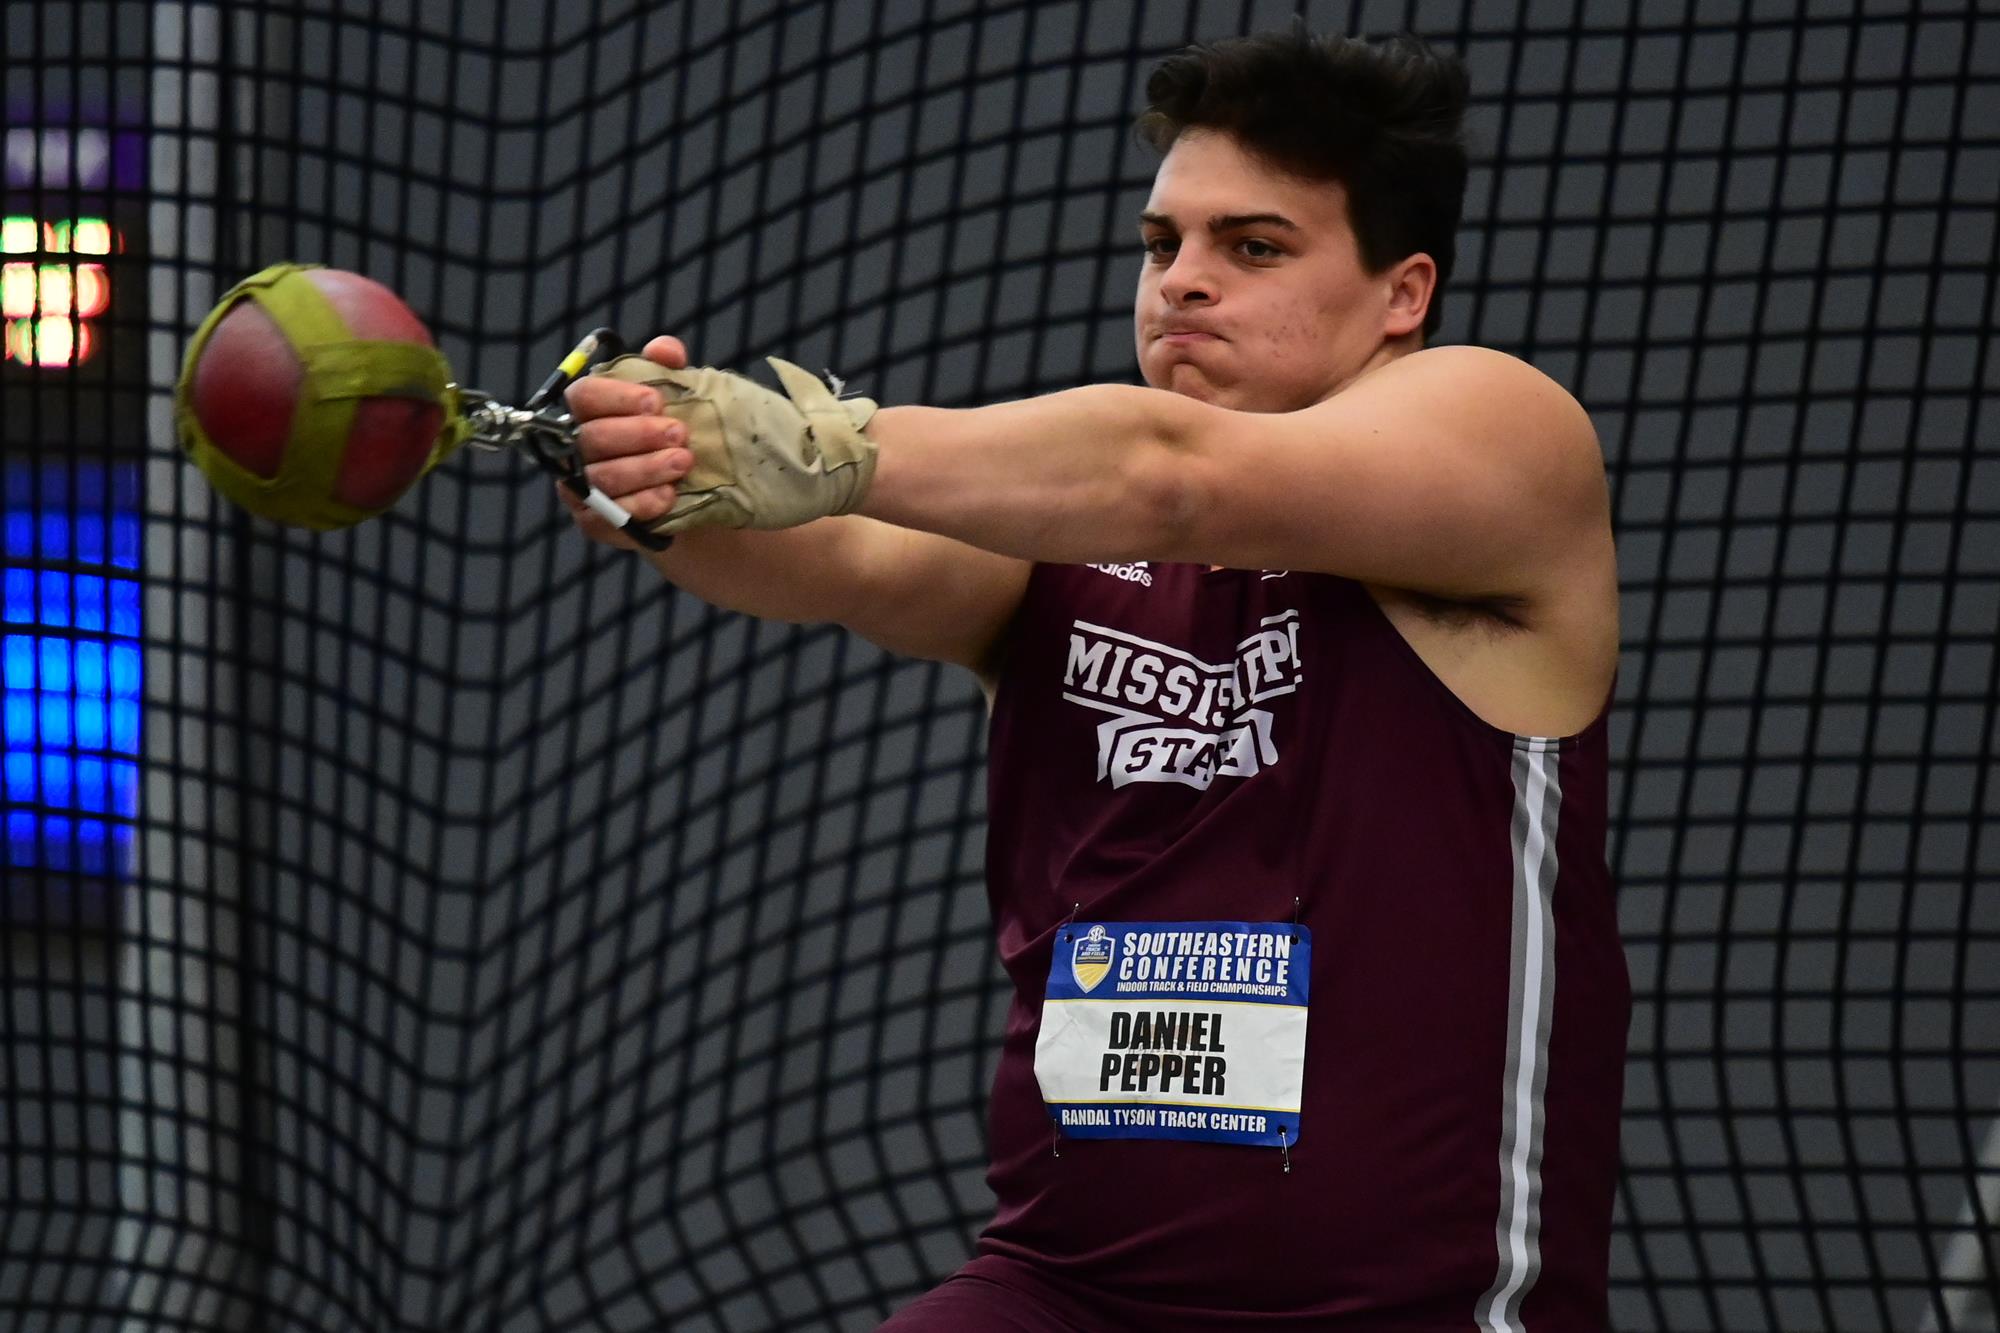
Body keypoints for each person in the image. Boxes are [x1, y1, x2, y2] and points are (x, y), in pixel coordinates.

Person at [561, 28, 1627, 1333]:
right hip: (1066, 1291)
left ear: (1403, 294)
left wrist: (817, 437)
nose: (1181, 283)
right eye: (1159, 243)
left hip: (1407, 1309)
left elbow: (1169, 472)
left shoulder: (1500, 431)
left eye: (1254, 247)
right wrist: (653, 475)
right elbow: (843, 555)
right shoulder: (1069, 537)